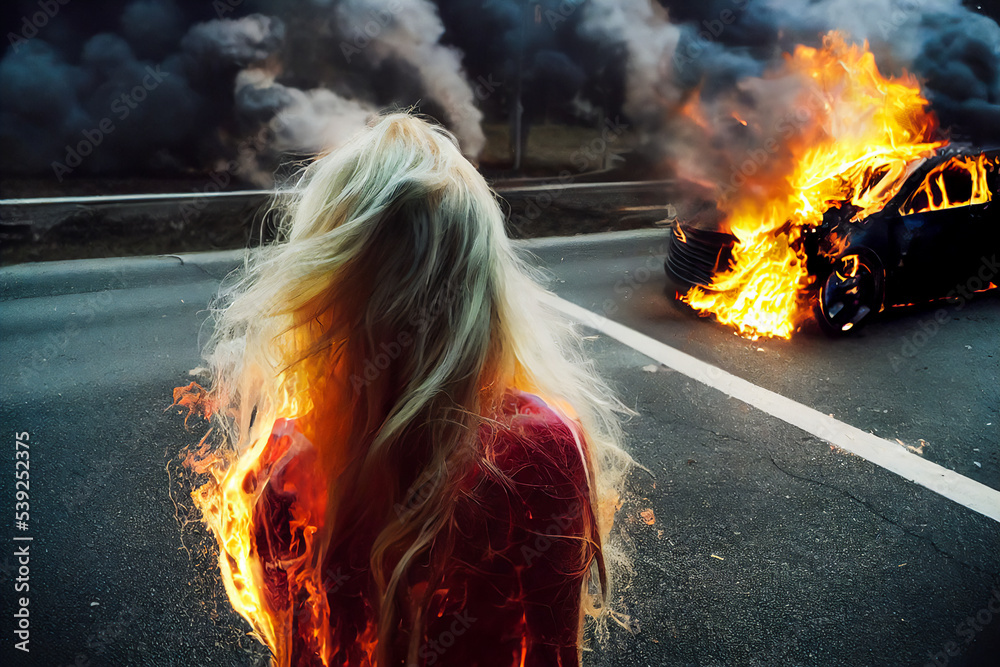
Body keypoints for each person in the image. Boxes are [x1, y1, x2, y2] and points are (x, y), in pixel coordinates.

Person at [183, 112, 632, 666]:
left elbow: (301, 653)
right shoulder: (542, 446)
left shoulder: (278, 469)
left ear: (324, 295)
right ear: (482, 290)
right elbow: (553, 652)